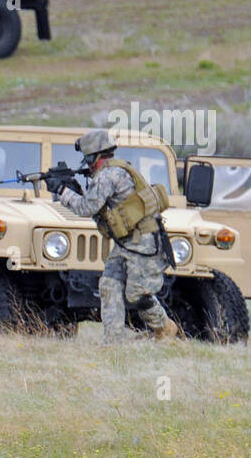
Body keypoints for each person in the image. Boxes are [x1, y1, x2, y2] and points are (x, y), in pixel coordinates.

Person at [51, 129, 181, 343]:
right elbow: (100, 207)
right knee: (109, 285)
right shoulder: (109, 173)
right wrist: (71, 189)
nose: (86, 162)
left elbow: (86, 208)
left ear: (94, 156)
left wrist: (63, 192)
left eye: (87, 157)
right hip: (127, 242)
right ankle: (113, 343)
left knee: (137, 294)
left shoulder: (108, 175)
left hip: (143, 241)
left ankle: (165, 328)